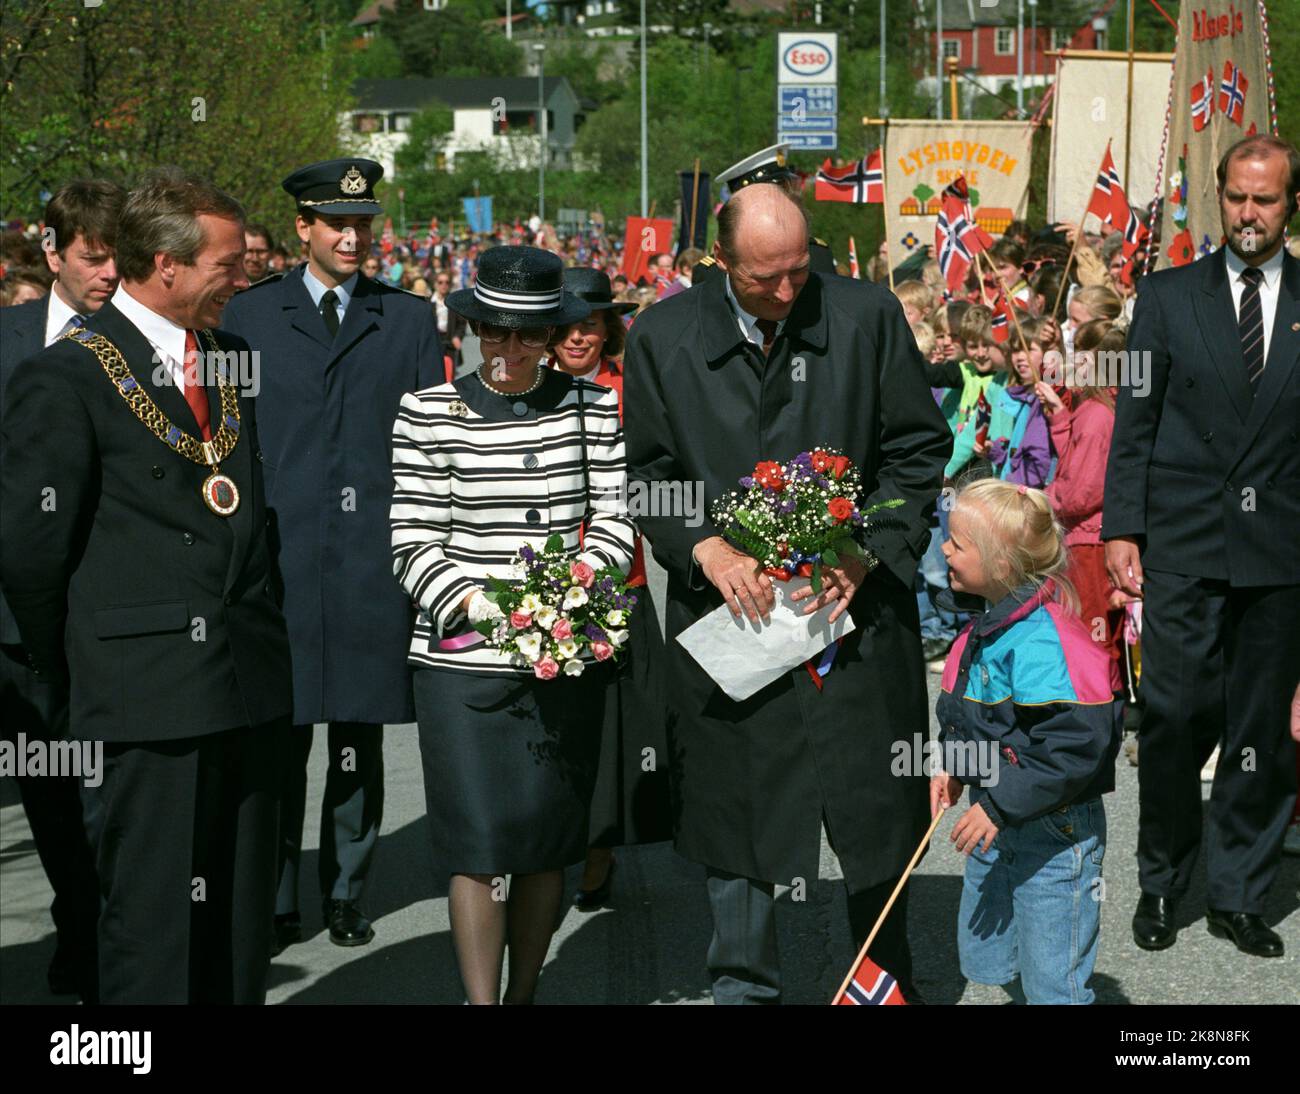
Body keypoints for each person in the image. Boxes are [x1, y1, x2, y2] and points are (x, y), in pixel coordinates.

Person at [624, 182, 951, 1005]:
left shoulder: (868, 317)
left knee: (876, 812)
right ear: (720, 262)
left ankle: (883, 979)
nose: (786, 292)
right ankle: (743, 987)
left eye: (800, 272)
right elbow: (646, 478)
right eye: (764, 277)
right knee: (740, 817)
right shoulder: (662, 336)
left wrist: (870, 551)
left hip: (855, 617)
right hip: (732, 622)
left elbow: (918, 448)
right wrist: (702, 545)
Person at [0, 167, 293, 1003]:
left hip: (249, 680)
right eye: (228, 265)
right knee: (151, 924)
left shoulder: (231, 357)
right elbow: (31, 552)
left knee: (239, 925)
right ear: (166, 263)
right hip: (144, 692)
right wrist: (81, 668)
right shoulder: (67, 375)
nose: (243, 280)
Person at [390, 246, 636, 1003]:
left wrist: (574, 590)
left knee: (544, 844)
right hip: (461, 667)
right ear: (470, 329)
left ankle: (524, 991)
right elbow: (411, 541)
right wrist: (490, 604)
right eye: (494, 333)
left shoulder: (592, 406)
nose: (510, 349)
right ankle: (482, 1002)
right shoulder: (426, 411)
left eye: (529, 335)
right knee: (480, 848)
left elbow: (618, 521)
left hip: (560, 659)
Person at [221, 159, 440, 954]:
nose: (353, 237)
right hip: (276, 560)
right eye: (336, 224)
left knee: (357, 736)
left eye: (364, 224)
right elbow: (223, 439)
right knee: (278, 739)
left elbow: (429, 446)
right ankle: (276, 894)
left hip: (367, 565)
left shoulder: (409, 320)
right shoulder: (245, 317)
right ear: (303, 230)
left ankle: (346, 889)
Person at [1104, 134, 1300, 960]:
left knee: (1260, 727)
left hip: (1280, 555)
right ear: (1218, 198)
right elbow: (1134, 421)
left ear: (1291, 205)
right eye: (1237, 198)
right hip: (1183, 543)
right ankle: (1162, 879)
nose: (1249, 214)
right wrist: (1121, 525)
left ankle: (1241, 892)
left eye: (1267, 199)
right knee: (1175, 719)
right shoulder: (1168, 296)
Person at [0, 179, 124, 1002]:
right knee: (47, 782)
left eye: (120, 256)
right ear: (53, 254)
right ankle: (80, 921)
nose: (109, 273)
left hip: (113, 609)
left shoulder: (140, 341)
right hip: (18, 616)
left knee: (111, 788)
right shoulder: (7, 337)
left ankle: (112, 929)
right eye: (92, 257)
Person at [934, 478, 1120, 1005]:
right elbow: (967, 714)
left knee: (1053, 981)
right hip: (1000, 819)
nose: (944, 549)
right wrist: (952, 765)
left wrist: (996, 803)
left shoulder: (1048, 641)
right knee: (991, 956)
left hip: (1055, 832)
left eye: (957, 543)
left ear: (1001, 564)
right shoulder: (983, 627)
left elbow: (1075, 746)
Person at [550, 267, 672, 909]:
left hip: (613, 585)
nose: (579, 335)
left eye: (590, 322)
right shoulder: (523, 391)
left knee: (611, 733)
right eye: (567, 324)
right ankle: (542, 850)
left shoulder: (628, 393)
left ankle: (597, 859)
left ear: (608, 328)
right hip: (534, 592)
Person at [1039, 320, 1125, 691]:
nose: (1072, 360)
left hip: (1091, 540)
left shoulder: (1095, 413)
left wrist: (1042, 497)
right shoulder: (1099, 406)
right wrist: (1060, 418)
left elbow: (1083, 490)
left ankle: (1100, 700)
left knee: (1094, 626)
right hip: (1093, 535)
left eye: (1080, 353)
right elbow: (1081, 461)